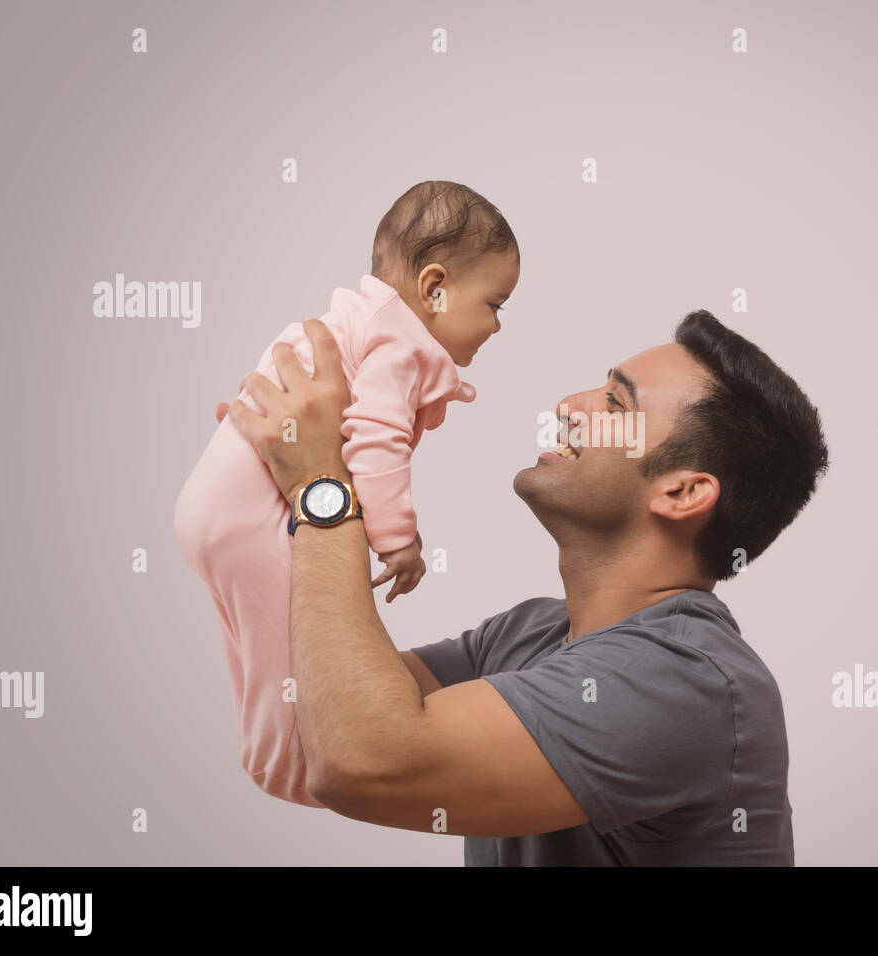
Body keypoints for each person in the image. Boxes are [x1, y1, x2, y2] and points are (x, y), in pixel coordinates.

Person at [214, 306, 829, 865]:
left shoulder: (689, 679)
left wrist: (321, 489)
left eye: (616, 404)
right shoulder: (528, 634)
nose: (569, 404)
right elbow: (308, 728)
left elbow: (362, 758)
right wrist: (263, 481)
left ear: (683, 491)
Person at [173, 181, 519, 807]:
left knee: (260, 643)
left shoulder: (354, 325)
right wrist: (399, 539)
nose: (498, 324)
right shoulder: (403, 345)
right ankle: (292, 765)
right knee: (292, 644)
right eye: (494, 303)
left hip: (217, 502)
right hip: (257, 513)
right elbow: (376, 440)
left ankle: (266, 747)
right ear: (433, 288)